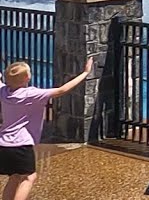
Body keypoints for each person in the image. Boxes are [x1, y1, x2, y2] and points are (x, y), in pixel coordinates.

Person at [2, 58, 93, 200]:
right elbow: (62, 90)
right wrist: (85, 73)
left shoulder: (3, 91)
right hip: (21, 145)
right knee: (28, 177)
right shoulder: (32, 94)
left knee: (14, 177)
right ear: (27, 77)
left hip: (3, 144)